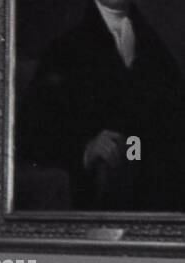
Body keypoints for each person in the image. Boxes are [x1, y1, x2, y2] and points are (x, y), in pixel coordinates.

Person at [16, 0, 185, 211]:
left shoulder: (155, 48)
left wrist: (141, 148)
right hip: (92, 196)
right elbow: (29, 133)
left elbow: (174, 119)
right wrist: (86, 149)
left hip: (155, 189)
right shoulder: (64, 50)